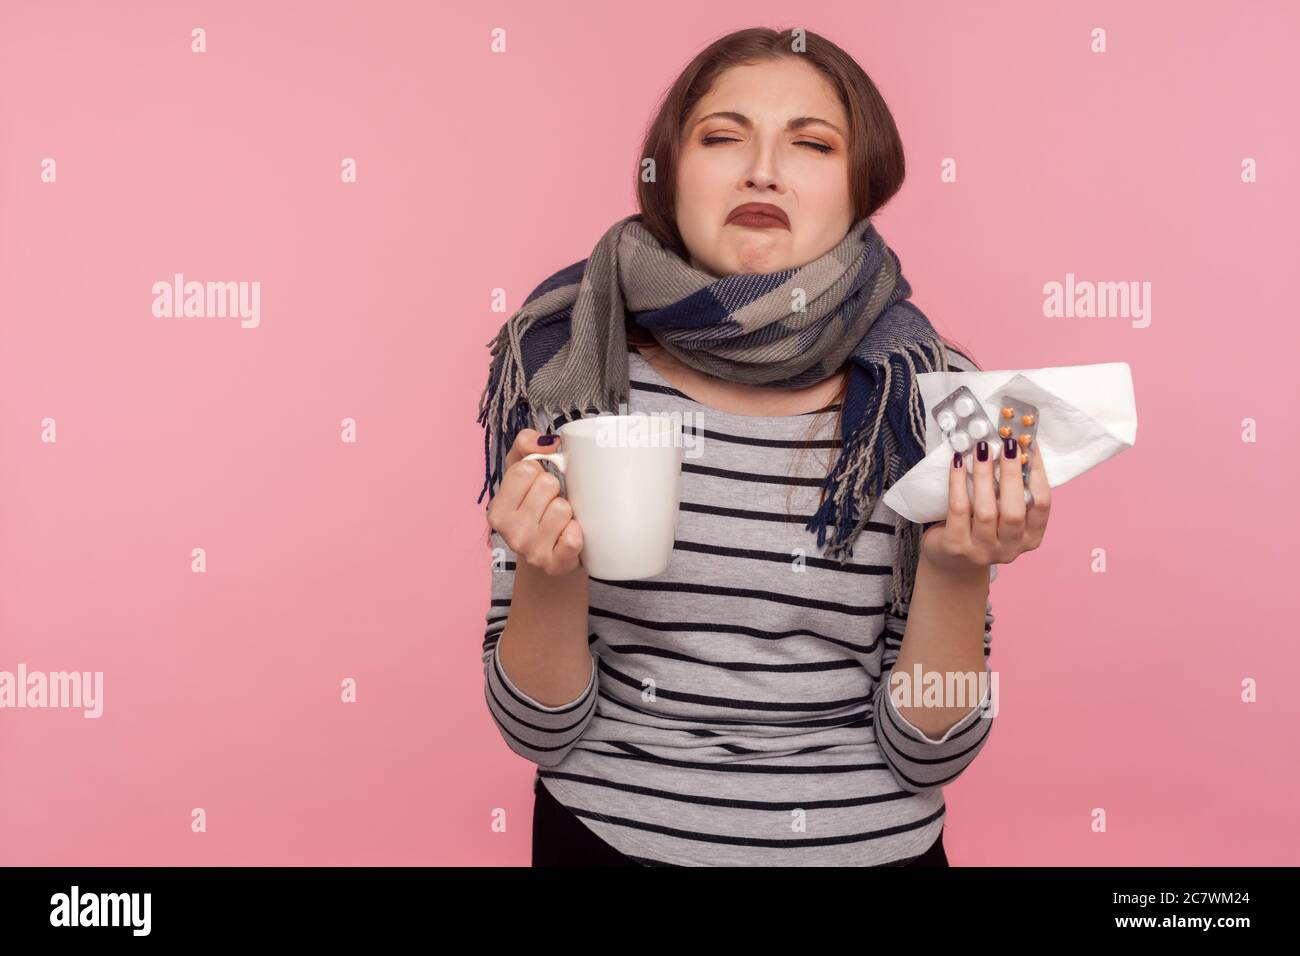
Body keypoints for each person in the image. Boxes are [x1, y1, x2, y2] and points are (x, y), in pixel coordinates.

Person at [476, 27, 1051, 867]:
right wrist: (546, 574)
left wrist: (958, 569)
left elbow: (931, 751)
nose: (762, 169)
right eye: (721, 137)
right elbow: (538, 727)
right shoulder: (575, 371)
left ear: (863, 189)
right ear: (667, 175)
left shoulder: (925, 391)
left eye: (811, 143)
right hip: (603, 841)